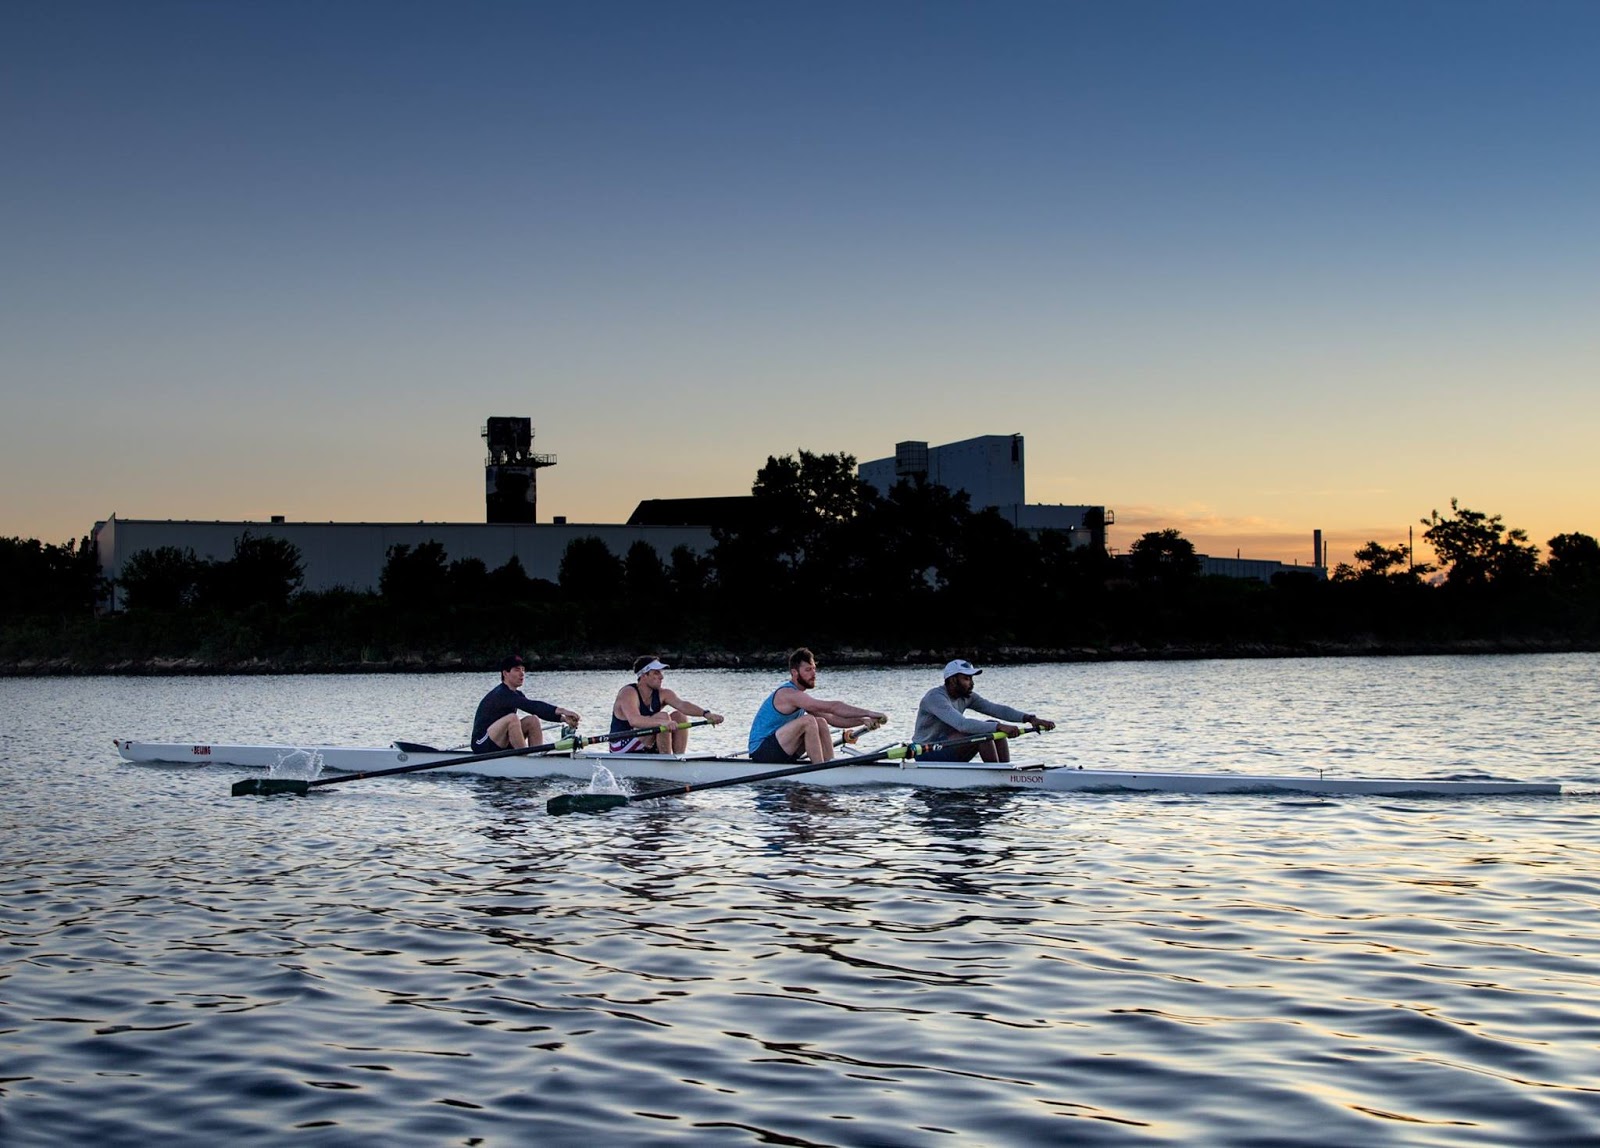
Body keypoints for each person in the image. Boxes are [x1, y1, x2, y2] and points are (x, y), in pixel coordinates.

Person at [746, 647, 887, 764]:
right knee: (808, 721)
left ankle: (829, 763)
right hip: (761, 751)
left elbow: (833, 718)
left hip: (782, 749)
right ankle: (820, 769)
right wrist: (869, 712)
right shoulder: (788, 694)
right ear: (795, 673)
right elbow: (833, 707)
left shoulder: (801, 697)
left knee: (820, 721)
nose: (814, 674)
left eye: (814, 669)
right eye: (808, 670)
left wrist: (862, 720)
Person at [911, 659, 1055, 763]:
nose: (971, 683)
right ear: (953, 680)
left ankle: (1005, 770)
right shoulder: (935, 698)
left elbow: (997, 709)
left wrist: (1030, 719)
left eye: (971, 678)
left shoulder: (966, 696)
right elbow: (962, 724)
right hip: (926, 752)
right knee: (984, 733)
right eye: (966, 678)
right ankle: (996, 774)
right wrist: (999, 727)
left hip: (947, 746)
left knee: (992, 724)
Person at [469, 654, 582, 753]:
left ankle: (536, 756)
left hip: (500, 741)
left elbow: (536, 709)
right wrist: (562, 710)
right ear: (505, 673)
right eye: (517, 670)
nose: (522, 673)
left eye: (523, 669)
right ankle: (525, 758)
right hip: (481, 743)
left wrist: (563, 719)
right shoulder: (501, 693)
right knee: (512, 718)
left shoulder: (517, 694)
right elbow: (533, 706)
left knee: (532, 720)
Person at [610, 656, 725, 754]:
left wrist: (707, 714)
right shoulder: (628, 693)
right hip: (620, 745)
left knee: (679, 716)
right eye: (656, 673)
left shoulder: (663, 693)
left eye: (661, 672)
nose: (662, 677)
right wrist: (663, 722)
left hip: (644, 742)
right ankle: (666, 761)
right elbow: (634, 720)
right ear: (644, 675)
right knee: (663, 717)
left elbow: (683, 705)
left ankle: (678, 758)